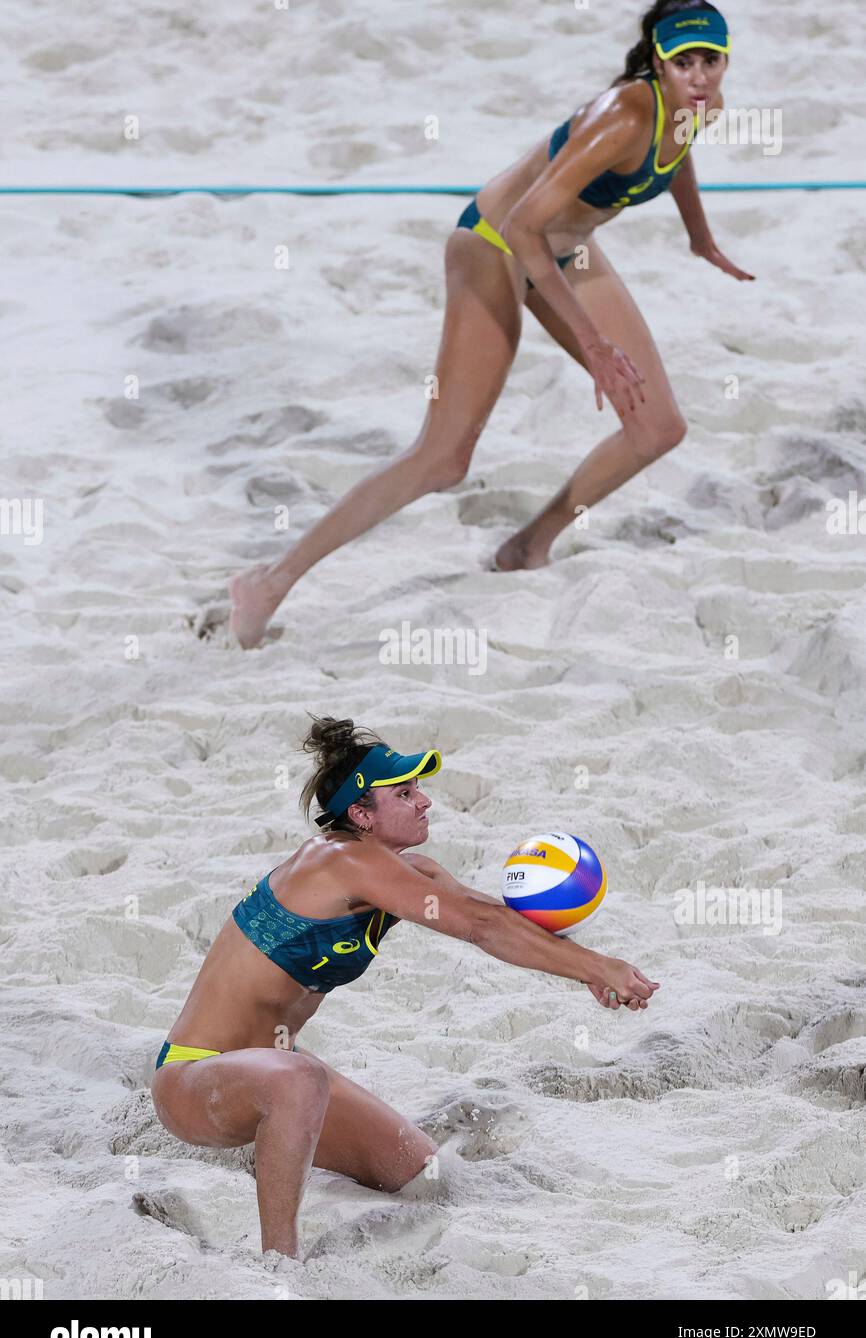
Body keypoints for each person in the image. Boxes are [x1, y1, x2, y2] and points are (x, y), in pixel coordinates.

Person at [229, 2, 753, 648]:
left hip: (568, 250)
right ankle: (269, 582)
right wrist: (594, 342)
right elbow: (522, 226)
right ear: (656, 62)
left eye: (711, 60)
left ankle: (526, 547)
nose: (699, 76)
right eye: (683, 63)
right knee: (442, 457)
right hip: (495, 245)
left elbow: (677, 157)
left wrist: (700, 237)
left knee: (658, 427)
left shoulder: (700, 105)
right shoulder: (619, 118)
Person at [151, 716, 660, 1258]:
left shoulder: (406, 871)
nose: (424, 801)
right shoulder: (338, 861)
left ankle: (284, 1139)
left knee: (422, 1173)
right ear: (361, 814)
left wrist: (589, 966)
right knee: (300, 1077)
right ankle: (279, 1266)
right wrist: (595, 966)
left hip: (270, 1068)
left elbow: (489, 917)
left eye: (418, 788)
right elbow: (482, 927)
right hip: (194, 1076)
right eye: (404, 792)